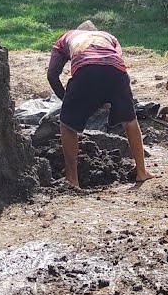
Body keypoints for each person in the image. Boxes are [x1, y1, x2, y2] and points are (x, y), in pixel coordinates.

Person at [48, 21, 153, 187]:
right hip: (117, 72)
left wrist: (66, 100)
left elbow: (52, 74)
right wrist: (107, 97)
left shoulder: (65, 38)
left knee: (67, 125)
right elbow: (113, 63)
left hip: (86, 70)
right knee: (130, 120)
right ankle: (141, 171)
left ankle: (72, 179)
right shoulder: (109, 37)